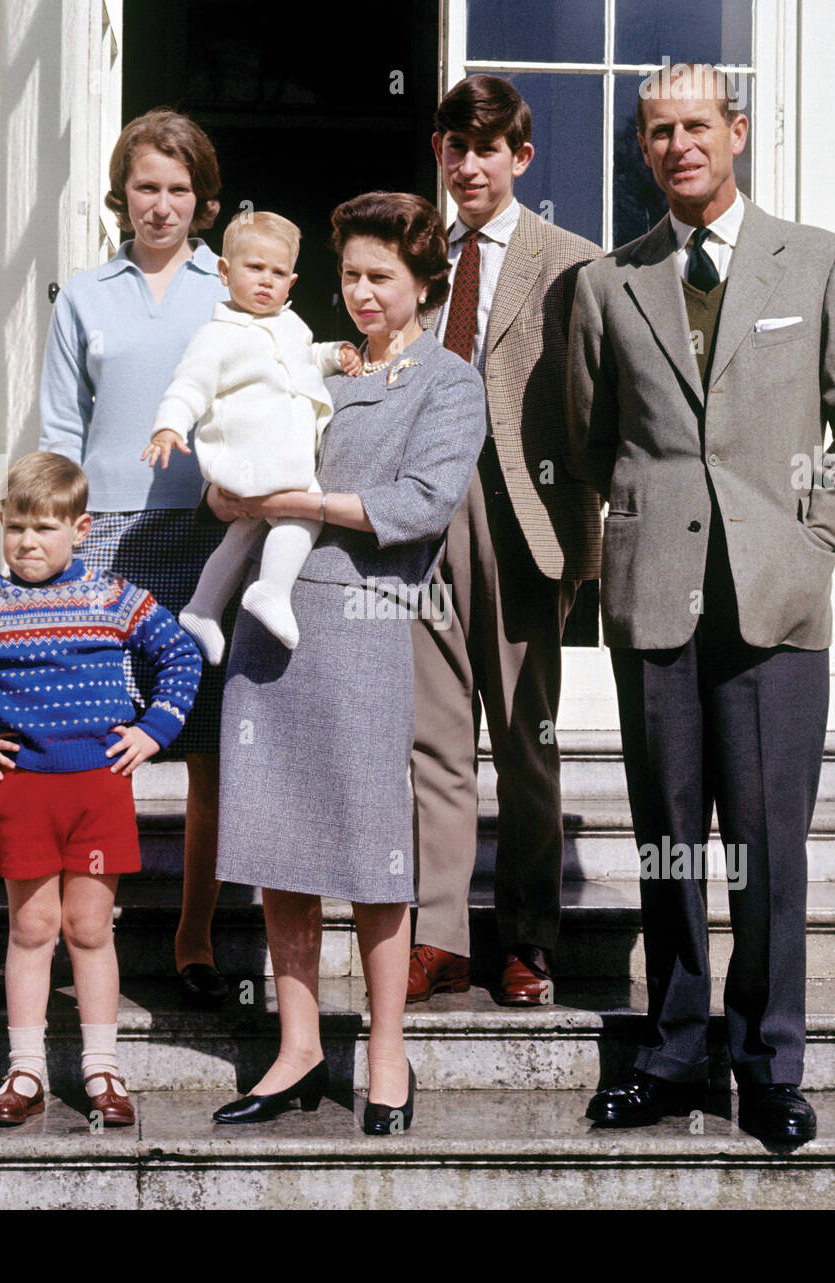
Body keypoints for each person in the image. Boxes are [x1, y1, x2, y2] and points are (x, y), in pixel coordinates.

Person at [567, 62, 835, 1144]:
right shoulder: (611, 283)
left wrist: (810, 547)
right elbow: (589, 436)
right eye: (657, 131)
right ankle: (671, 1054)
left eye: (696, 125)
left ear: (738, 133)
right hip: (655, 597)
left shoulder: (820, 264)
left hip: (774, 609)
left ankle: (766, 1064)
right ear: (644, 147)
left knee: (764, 848)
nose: (678, 146)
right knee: (667, 841)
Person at [209, 192, 486, 1134]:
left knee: (373, 847)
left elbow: (419, 502)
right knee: (277, 840)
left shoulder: (448, 383)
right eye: (350, 275)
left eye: (381, 278)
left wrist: (308, 499)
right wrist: (230, 486)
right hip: (266, 621)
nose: (361, 294)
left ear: (422, 284)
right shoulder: (306, 358)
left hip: (367, 622)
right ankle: (295, 1047)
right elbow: (241, 442)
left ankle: (388, 1052)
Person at [0, 453, 202, 1126]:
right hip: (24, 789)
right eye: (15, 527)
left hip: (98, 787)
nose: (27, 542)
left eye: (42, 527)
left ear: (81, 529)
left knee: (90, 927)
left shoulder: (113, 596)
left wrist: (155, 727)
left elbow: (179, 655)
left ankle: (102, 1068)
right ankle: (26, 1068)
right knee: (33, 926)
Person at [408, 74, 603, 1008]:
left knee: (528, 736)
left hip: (524, 518)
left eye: (487, 148)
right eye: (455, 145)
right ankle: (439, 934)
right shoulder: (412, 259)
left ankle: (528, 938)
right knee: (433, 737)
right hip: (420, 519)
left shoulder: (571, 261)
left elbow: (602, 406)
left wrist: (590, 522)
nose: (468, 163)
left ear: (519, 158)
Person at [39, 108, 232, 1009]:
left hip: (207, 534)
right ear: (123, 194)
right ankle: (91, 928)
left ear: (203, 200)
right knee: (92, 745)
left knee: (202, 746)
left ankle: (195, 937)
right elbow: (58, 434)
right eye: (146, 187)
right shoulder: (82, 295)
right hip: (105, 539)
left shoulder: (231, 289)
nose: (161, 206)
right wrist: (61, 550)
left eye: (179, 190)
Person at [144, 210, 362, 657]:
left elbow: (302, 359)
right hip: (251, 457)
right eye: (254, 268)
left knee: (242, 534)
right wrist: (168, 425)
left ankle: (203, 606)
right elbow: (189, 385)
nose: (266, 281)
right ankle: (273, 590)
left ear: (292, 283)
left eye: (278, 272)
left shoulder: (292, 326)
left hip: (274, 455)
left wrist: (334, 355)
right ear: (224, 272)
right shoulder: (216, 336)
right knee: (305, 513)